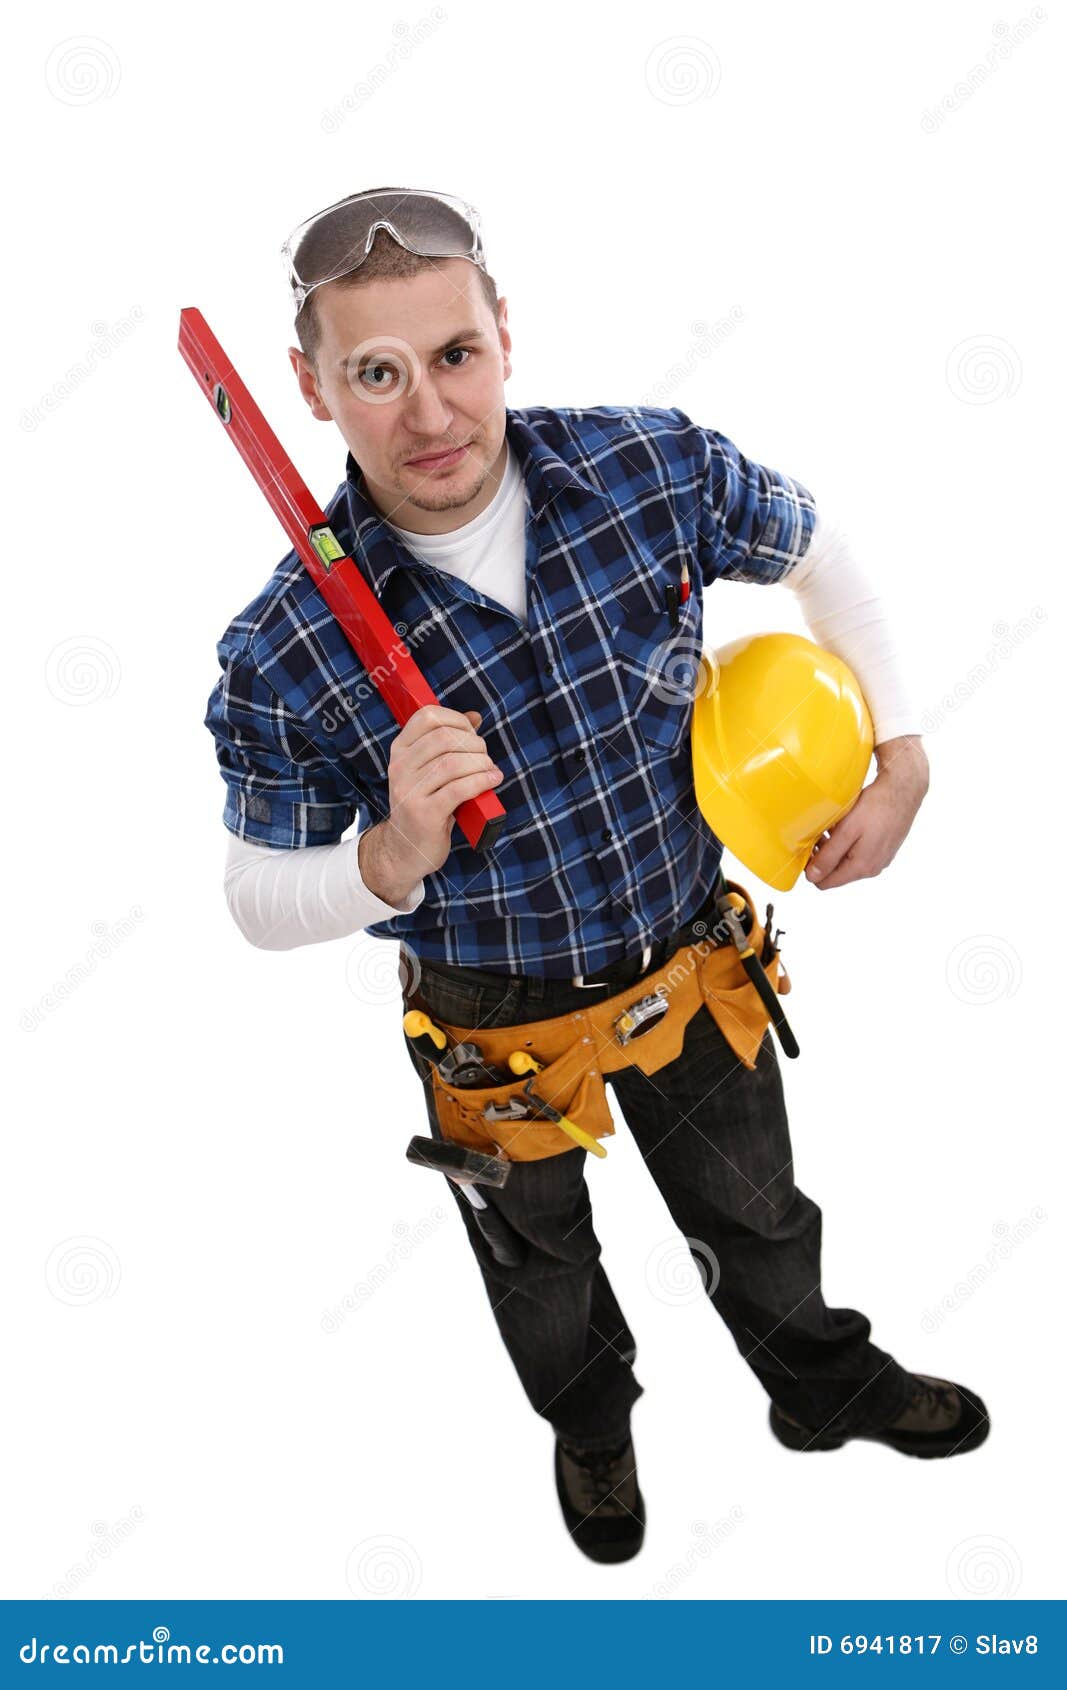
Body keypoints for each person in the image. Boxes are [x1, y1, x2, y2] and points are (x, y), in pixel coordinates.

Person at [204, 187, 989, 1565]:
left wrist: (904, 748)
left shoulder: (650, 472)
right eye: (375, 374)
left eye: (455, 354)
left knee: (759, 1215)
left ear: (503, 334)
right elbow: (256, 898)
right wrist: (390, 854)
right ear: (311, 388)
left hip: (689, 959)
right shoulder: (286, 648)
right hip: (491, 1029)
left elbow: (817, 549)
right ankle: (591, 1428)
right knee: (543, 1276)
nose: (430, 411)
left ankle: (821, 1385)